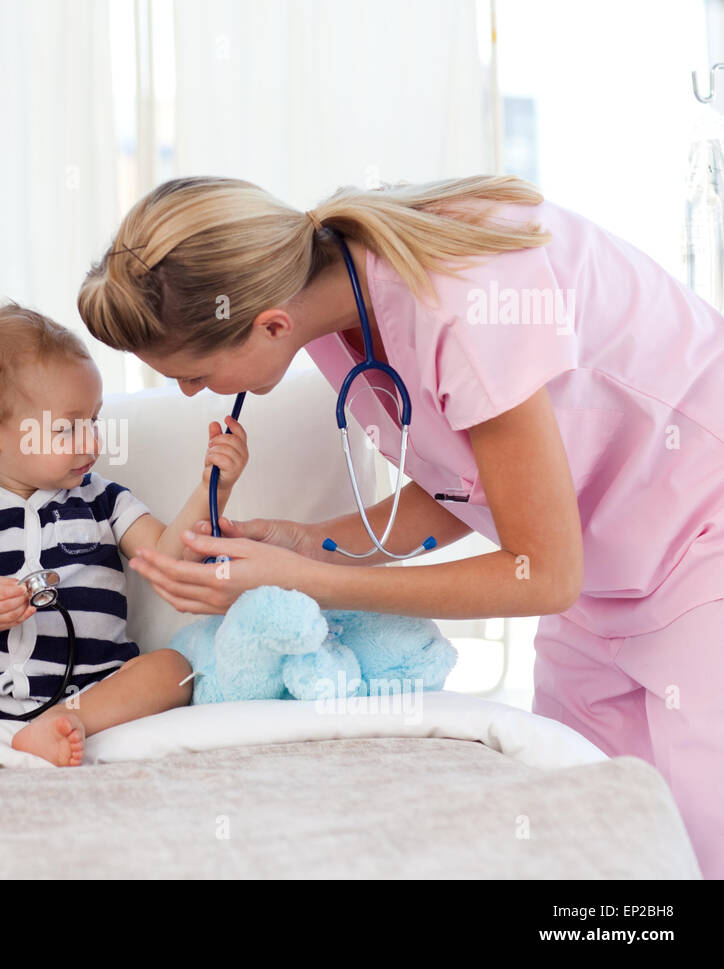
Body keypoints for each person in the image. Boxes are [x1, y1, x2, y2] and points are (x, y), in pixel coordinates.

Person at [76, 174, 724, 877]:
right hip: (606, 571)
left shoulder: (462, 306)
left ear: (269, 323)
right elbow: (471, 479)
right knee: (583, 832)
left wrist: (313, 582)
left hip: (699, 536)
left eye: (195, 374)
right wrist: (311, 542)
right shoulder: (337, 306)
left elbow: (542, 573)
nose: (188, 393)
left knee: (700, 832)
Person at [0, 302, 247, 771]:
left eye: (93, 422)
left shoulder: (104, 500)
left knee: (174, 670)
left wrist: (210, 491)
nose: (91, 442)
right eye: (67, 428)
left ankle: (63, 720)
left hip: (96, 691)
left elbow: (166, 559)